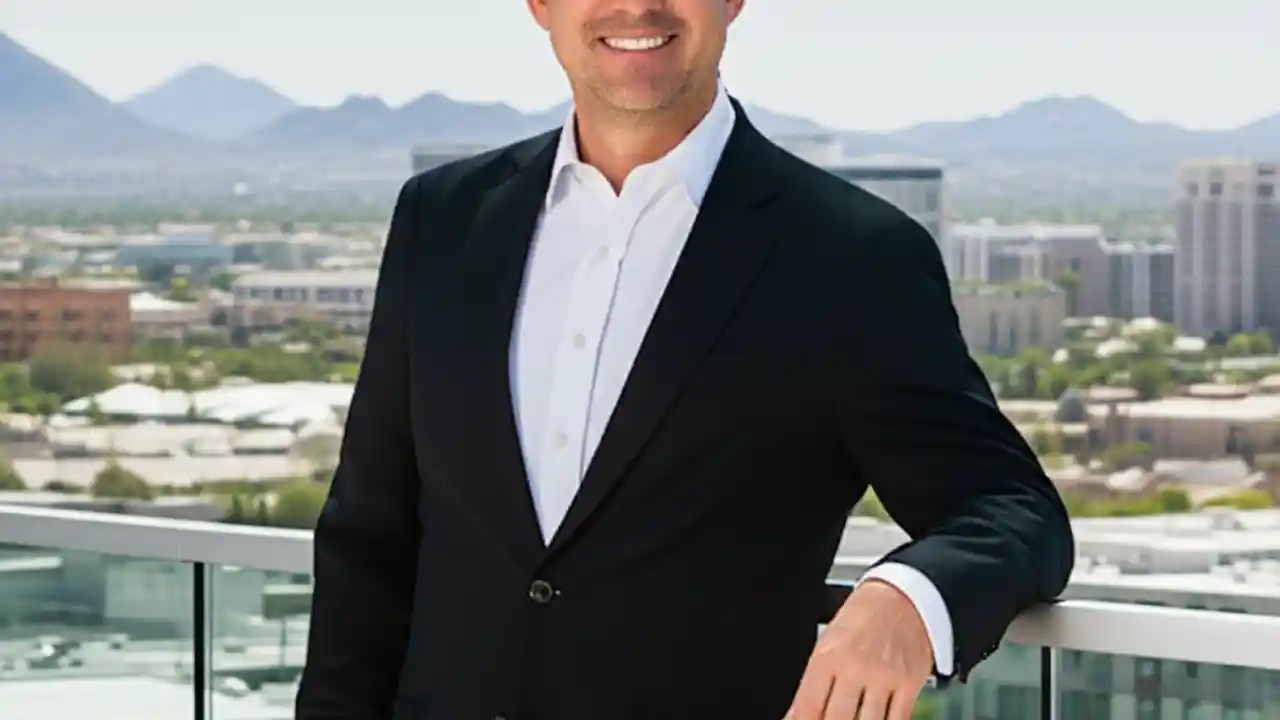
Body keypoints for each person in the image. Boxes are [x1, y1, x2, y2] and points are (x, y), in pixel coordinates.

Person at [294, 1, 1075, 719]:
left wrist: (905, 597)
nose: (638, 6)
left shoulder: (850, 256)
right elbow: (370, 535)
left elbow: (1013, 510)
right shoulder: (442, 218)